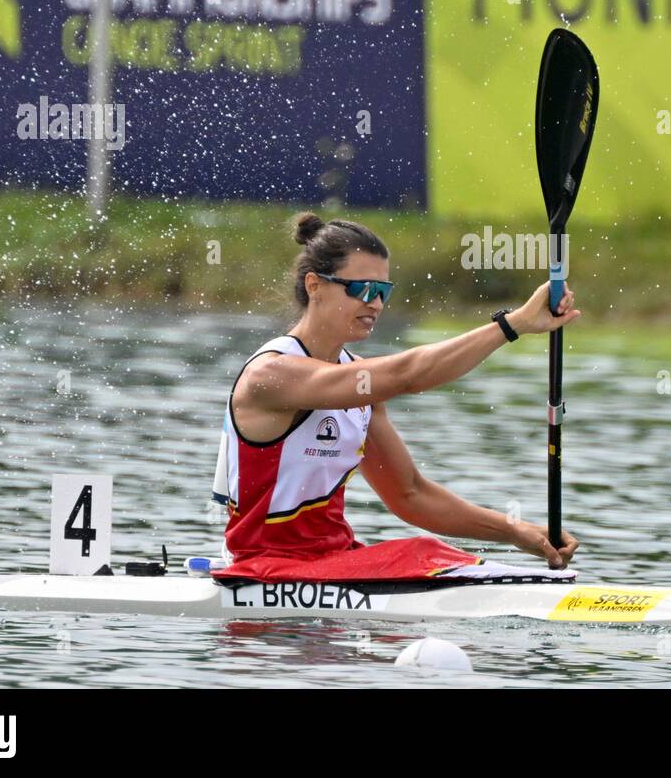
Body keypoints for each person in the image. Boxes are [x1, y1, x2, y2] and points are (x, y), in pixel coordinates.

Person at [209, 212, 580, 582]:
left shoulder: (360, 388)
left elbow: (410, 494)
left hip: (331, 562)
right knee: (424, 552)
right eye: (362, 289)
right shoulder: (270, 375)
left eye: (383, 292)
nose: (375, 304)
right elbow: (406, 376)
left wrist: (515, 530)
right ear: (314, 285)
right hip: (266, 569)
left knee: (427, 550)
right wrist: (512, 325)